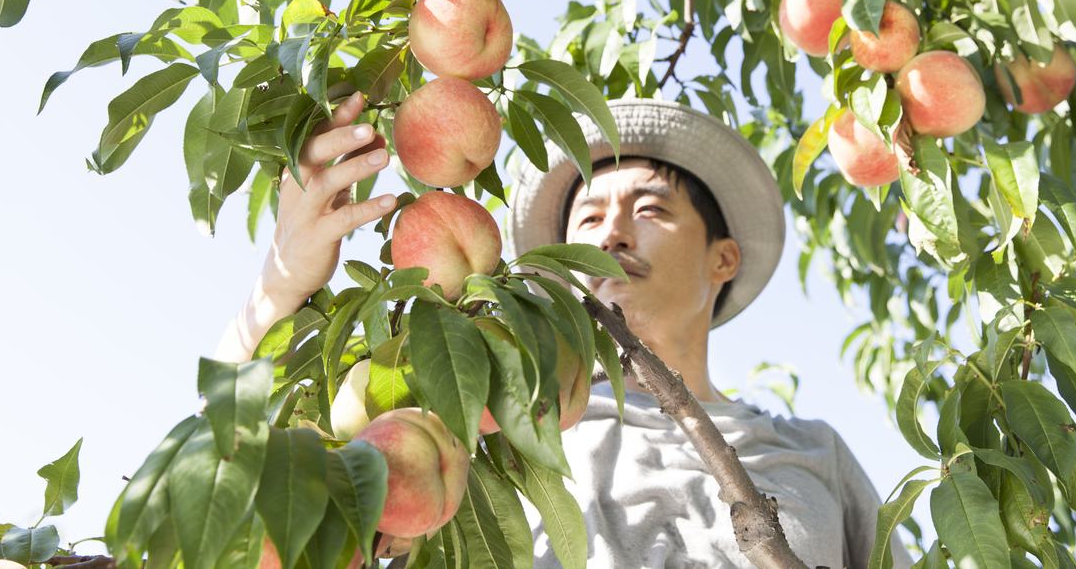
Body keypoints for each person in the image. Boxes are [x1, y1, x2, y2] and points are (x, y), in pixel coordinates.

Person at [216, 92, 912, 569]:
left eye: (651, 208)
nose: (611, 230)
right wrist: (282, 284)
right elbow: (254, 484)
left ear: (722, 257)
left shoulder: (814, 451)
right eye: (587, 220)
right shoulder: (491, 420)